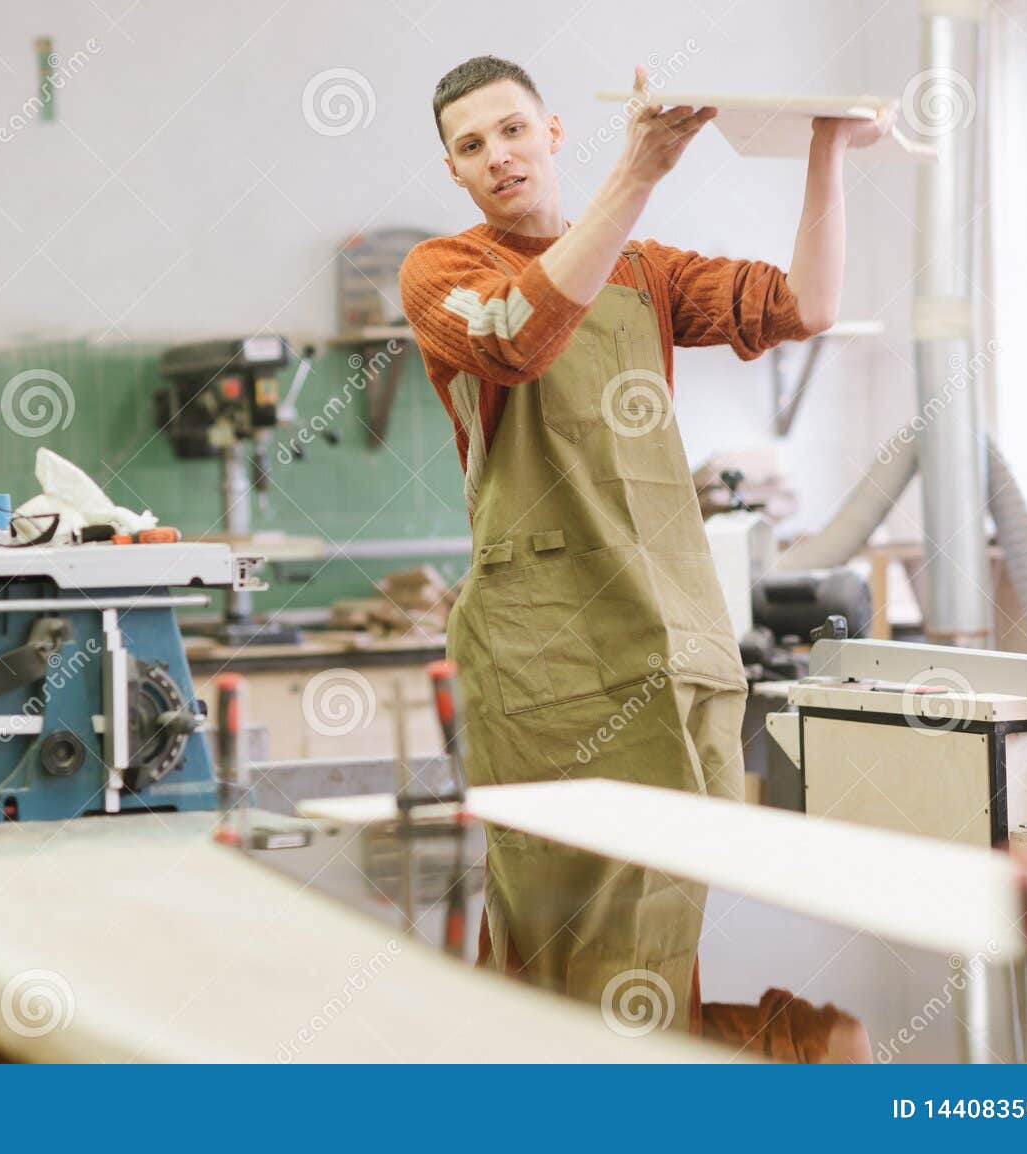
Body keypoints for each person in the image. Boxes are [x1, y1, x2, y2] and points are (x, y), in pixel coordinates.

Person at [399, 56, 882, 1061]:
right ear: (453, 170)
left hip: (666, 635)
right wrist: (640, 171)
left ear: (552, 132)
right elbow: (516, 337)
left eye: (512, 130)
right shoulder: (442, 273)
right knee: (565, 924)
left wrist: (827, 149)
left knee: (661, 909)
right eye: (471, 146)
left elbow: (805, 305)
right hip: (545, 662)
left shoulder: (645, 272)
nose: (498, 156)